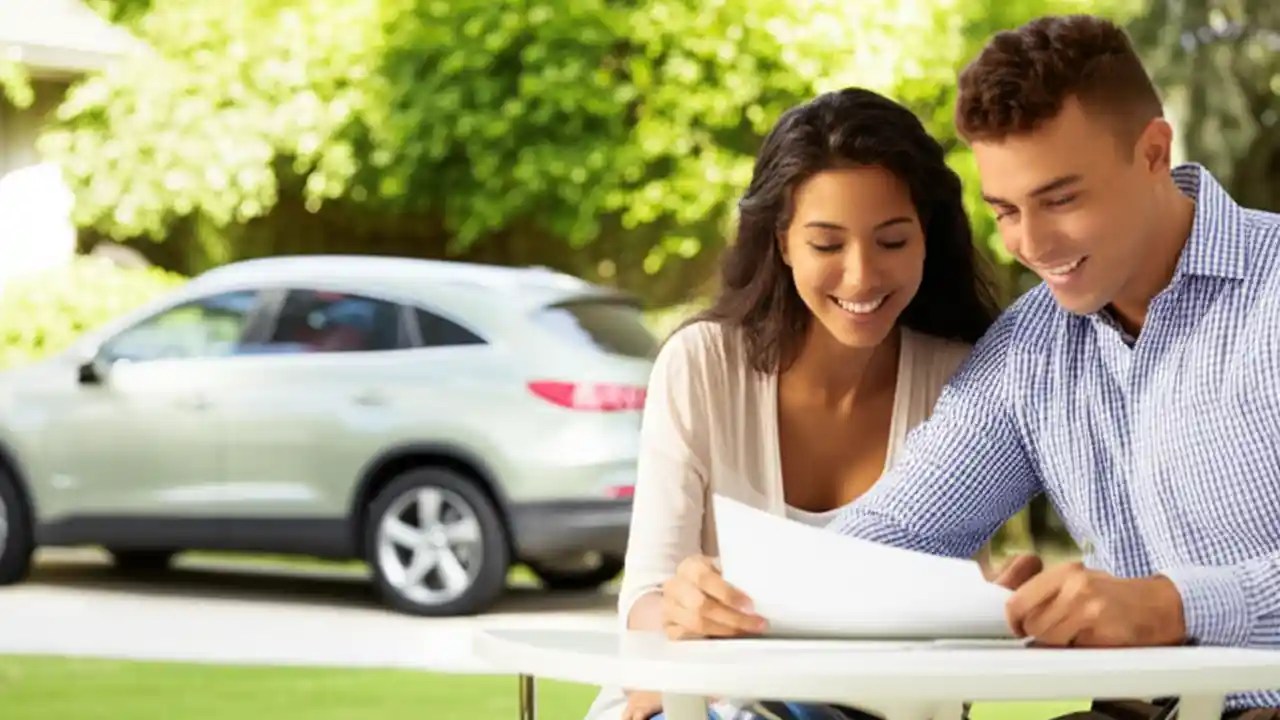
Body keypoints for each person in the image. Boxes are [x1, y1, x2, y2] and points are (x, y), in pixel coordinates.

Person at [671, 14, 1280, 720]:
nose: (1032, 243)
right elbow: (893, 532)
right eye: (1006, 211)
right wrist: (741, 595)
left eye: (1061, 199)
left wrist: (1175, 606)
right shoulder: (1030, 349)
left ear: (1152, 153)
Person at [584, 87, 1005, 720]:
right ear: (783, 243)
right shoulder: (702, 365)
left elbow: (951, 655)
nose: (861, 276)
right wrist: (681, 610)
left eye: (892, 242)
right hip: (692, 701)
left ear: (927, 237)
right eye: (827, 245)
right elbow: (644, 602)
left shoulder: (965, 382)